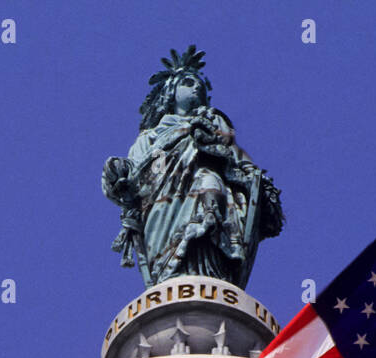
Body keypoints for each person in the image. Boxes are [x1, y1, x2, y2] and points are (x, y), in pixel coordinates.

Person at [103, 47, 282, 288]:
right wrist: (117, 174)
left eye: (201, 86)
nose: (197, 88)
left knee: (209, 184)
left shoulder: (217, 129)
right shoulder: (152, 137)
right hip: (163, 207)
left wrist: (257, 187)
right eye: (188, 83)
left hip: (213, 193)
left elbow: (244, 168)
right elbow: (135, 177)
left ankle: (214, 276)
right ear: (170, 93)